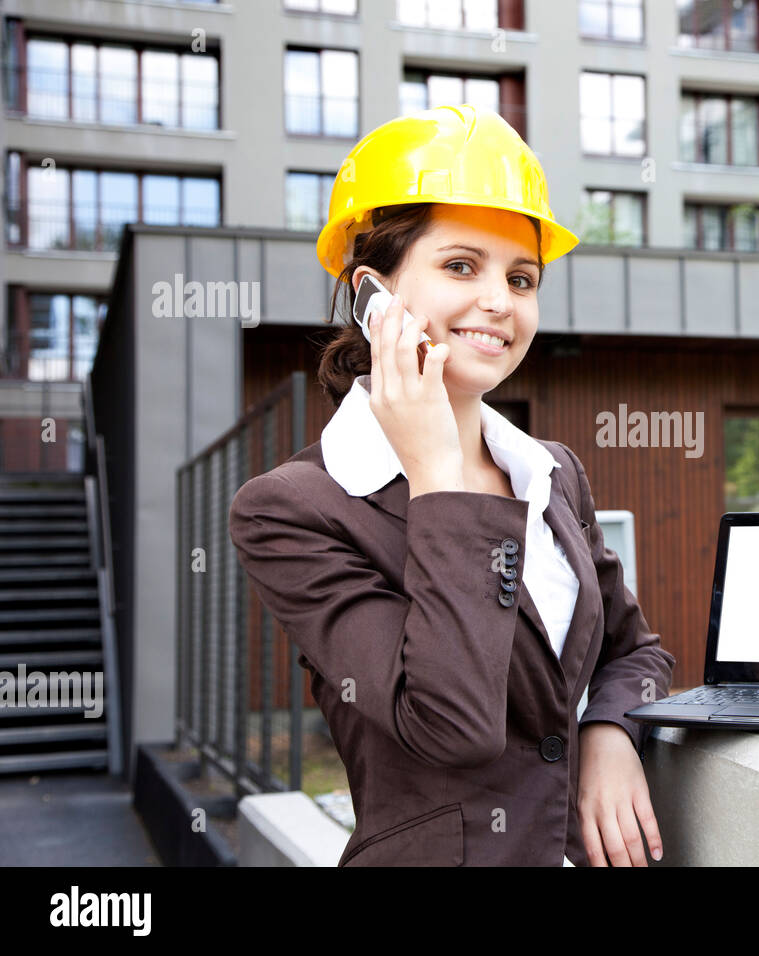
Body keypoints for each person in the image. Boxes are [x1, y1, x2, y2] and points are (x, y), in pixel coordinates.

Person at [227, 105, 676, 866]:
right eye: (461, 266)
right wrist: (438, 479)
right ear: (374, 293)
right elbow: (451, 724)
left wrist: (609, 731)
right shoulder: (293, 509)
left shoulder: (552, 473)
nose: (500, 301)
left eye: (521, 276)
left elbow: (637, 653)